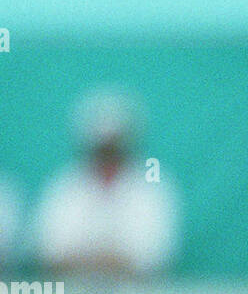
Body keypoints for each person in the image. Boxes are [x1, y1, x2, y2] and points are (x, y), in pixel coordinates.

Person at [34, 88, 180, 279]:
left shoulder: (154, 188)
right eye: (102, 147)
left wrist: (89, 260)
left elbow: (154, 256)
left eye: (115, 146)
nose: (108, 155)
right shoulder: (65, 185)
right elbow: (48, 251)